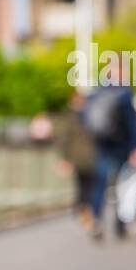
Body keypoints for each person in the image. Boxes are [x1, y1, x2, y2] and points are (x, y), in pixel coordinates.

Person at [81, 66, 136, 242]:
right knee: (122, 185)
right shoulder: (124, 94)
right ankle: (120, 223)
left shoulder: (96, 92)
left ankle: (96, 218)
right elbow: (132, 124)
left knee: (101, 183)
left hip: (101, 146)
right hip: (120, 146)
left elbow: (86, 121)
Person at [53, 90, 96, 228]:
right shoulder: (89, 116)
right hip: (86, 158)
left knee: (85, 186)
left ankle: (83, 211)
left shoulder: (72, 117)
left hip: (83, 158)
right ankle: (85, 211)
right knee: (86, 186)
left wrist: (64, 159)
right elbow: (64, 139)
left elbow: (63, 139)